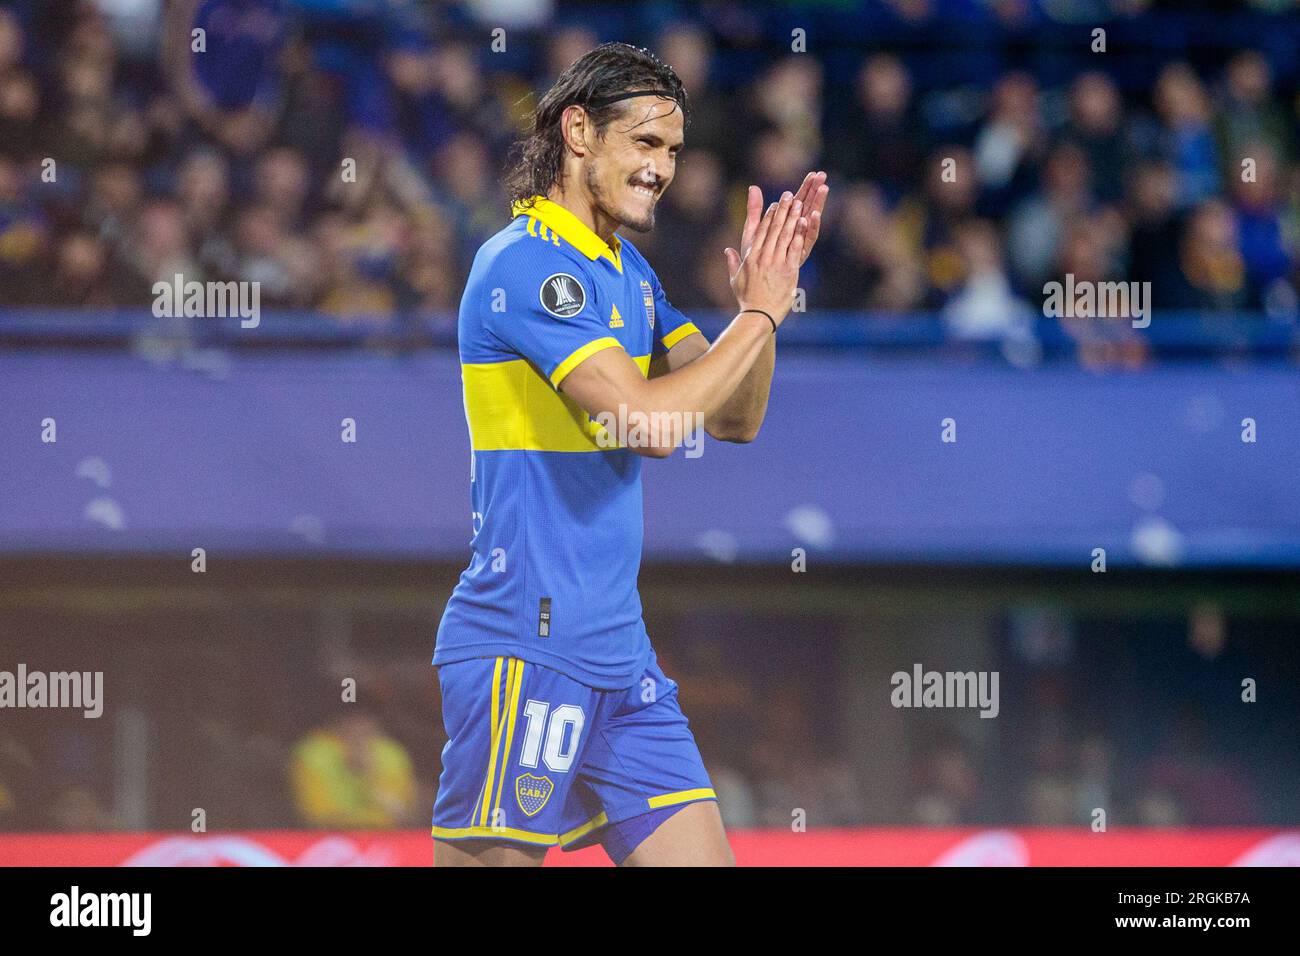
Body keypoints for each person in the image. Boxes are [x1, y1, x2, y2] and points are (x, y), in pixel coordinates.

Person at [431, 42, 828, 866]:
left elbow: (733, 420)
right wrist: (751, 319)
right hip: (522, 644)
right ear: (579, 132)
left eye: (673, 152)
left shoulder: (630, 274)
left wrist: (768, 305)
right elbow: (650, 424)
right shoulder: (528, 267)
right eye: (645, 144)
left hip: (620, 656)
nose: (662, 169)